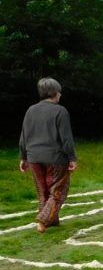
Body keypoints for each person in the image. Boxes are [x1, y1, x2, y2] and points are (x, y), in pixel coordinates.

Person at [18, 77, 78, 233]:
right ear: (54, 93)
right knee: (58, 191)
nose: (60, 95)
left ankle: (52, 220)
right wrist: (72, 158)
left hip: (34, 157)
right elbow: (66, 138)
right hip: (55, 157)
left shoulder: (31, 110)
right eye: (59, 92)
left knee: (43, 191)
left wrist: (23, 157)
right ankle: (43, 221)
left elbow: (24, 136)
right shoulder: (60, 111)